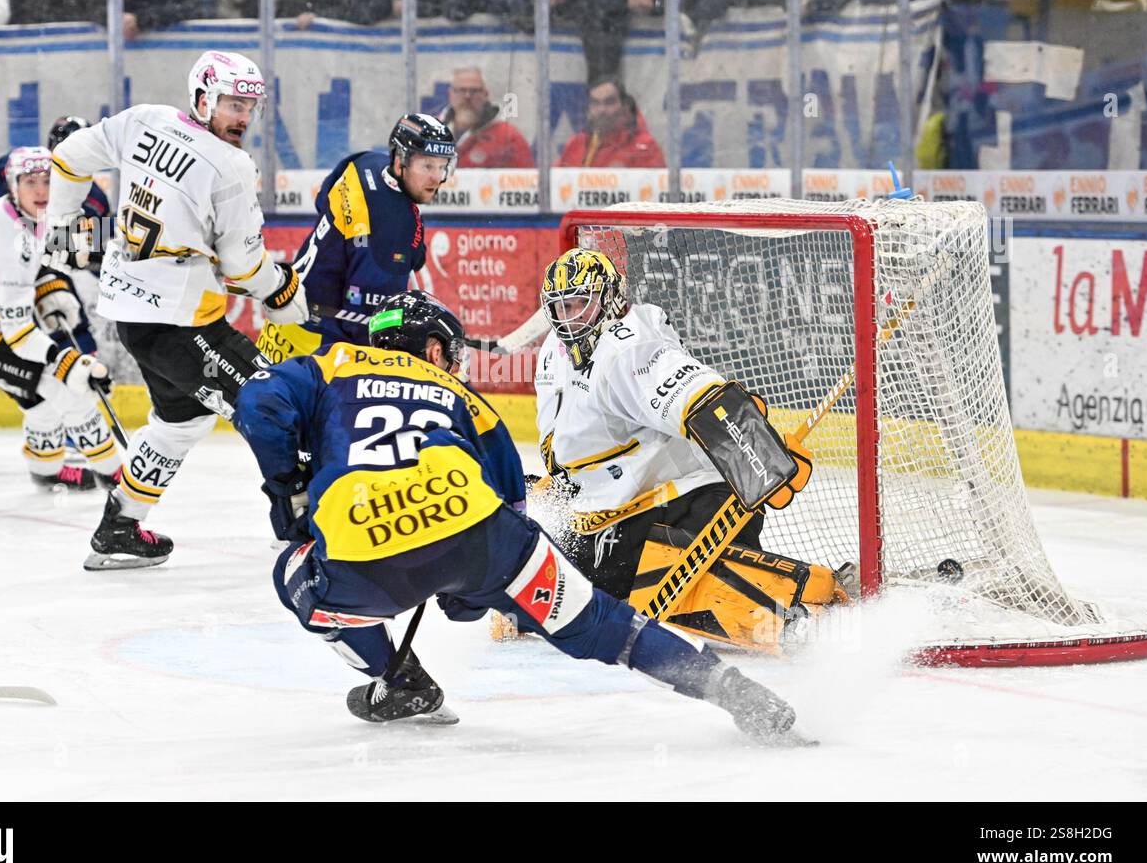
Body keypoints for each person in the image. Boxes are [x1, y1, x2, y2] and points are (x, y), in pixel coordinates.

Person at [232, 288, 801, 741]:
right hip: (485, 539)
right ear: (433, 350)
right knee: (609, 626)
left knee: (294, 577)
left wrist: (292, 495)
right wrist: (469, 588)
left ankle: (400, 680)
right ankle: (732, 690)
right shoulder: (469, 402)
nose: (453, 365)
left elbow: (258, 404)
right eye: (451, 354)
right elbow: (515, 506)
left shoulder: (331, 365)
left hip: (365, 552)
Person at [44, 50, 308, 570]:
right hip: (181, 321)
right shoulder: (230, 166)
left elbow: (69, 155)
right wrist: (281, 290)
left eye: (250, 106)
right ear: (204, 97)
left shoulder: (144, 119)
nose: (243, 116)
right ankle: (303, 525)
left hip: (135, 317)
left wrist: (61, 224)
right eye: (233, 103)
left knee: (180, 422)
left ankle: (119, 527)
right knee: (273, 405)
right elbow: (242, 267)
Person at [531, 248, 852, 650]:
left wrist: (757, 450)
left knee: (597, 599)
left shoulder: (627, 348)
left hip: (687, 502)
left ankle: (811, 607)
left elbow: (693, 394)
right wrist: (558, 483)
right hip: (613, 511)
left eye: (580, 304)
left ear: (609, 300)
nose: (569, 318)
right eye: (559, 307)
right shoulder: (553, 350)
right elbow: (565, 436)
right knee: (543, 573)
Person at [0, 146, 121, 491]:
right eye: (30, 182)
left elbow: (63, 248)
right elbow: (18, 333)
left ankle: (46, 472)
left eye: (47, 180)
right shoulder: (9, 239)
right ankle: (114, 474)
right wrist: (70, 364)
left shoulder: (21, 213)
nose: (41, 190)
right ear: (13, 186)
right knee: (66, 388)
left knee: (41, 399)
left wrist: (49, 286)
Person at [254, 113, 454, 364]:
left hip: (282, 327)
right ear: (401, 159)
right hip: (316, 352)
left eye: (442, 165)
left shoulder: (367, 163)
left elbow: (323, 198)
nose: (436, 178)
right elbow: (372, 328)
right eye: (427, 166)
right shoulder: (391, 230)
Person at [555, 76, 666, 168]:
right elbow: (554, 185)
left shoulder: (644, 147)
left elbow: (655, 191)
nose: (602, 110)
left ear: (625, 108)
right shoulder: (576, 144)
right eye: (595, 103)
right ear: (588, 110)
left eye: (609, 102)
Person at [437, 66, 534, 169]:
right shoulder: (431, 133)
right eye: (461, 90)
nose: (467, 96)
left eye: (474, 91)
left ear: (486, 94)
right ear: (450, 93)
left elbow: (527, 181)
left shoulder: (508, 137)